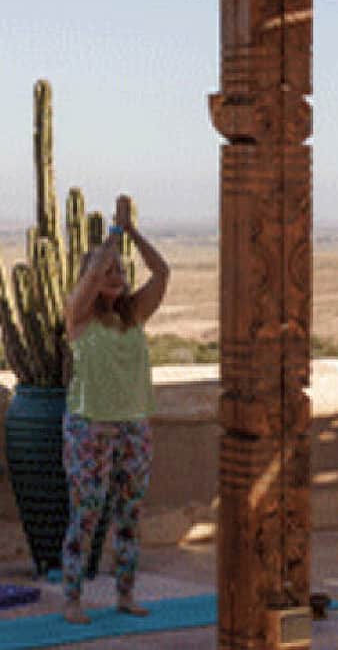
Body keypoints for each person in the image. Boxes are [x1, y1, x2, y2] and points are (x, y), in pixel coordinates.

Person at [61, 195, 169, 624]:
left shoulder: (134, 315)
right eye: (109, 272)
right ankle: (72, 599)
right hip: (89, 427)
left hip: (133, 425)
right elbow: (89, 278)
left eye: (121, 271)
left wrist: (134, 234)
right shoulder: (78, 317)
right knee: (86, 513)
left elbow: (161, 272)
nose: (117, 277)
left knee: (130, 514)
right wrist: (114, 234)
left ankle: (125, 594)